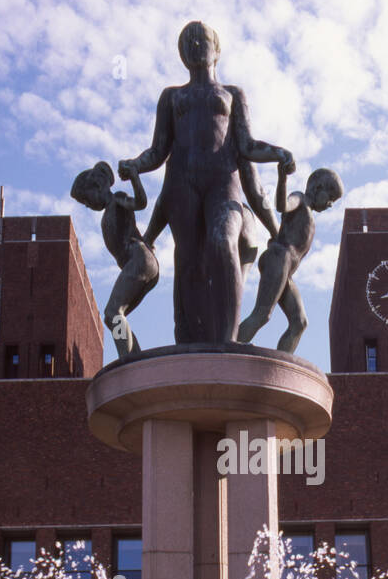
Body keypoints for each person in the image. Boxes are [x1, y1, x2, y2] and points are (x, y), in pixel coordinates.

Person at [120, 20, 293, 343]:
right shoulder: (171, 97)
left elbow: (247, 146)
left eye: (201, 39)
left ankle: (227, 342)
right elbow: (158, 150)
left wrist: (278, 154)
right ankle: (188, 340)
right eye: (187, 41)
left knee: (222, 239)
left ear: (217, 50)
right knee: (187, 258)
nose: (194, 45)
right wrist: (135, 165)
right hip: (182, 184)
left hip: (222, 184)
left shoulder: (232, 94)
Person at [236, 161, 343, 353]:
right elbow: (282, 205)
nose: (330, 204)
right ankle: (228, 350)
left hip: (287, 270)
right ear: (318, 188)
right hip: (279, 257)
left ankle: (280, 367)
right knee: (262, 314)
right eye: (331, 197)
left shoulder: (310, 214)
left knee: (299, 322)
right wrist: (282, 177)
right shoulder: (300, 199)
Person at [69, 161, 160, 359]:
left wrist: (135, 177)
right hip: (139, 262)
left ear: (98, 186)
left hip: (139, 259)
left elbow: (140, 202)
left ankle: (128, 360)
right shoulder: (108, 212)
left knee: (113, 312)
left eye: (86, 198)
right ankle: (134, 357)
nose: (87, 204)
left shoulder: (117, 199)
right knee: (115, 317)